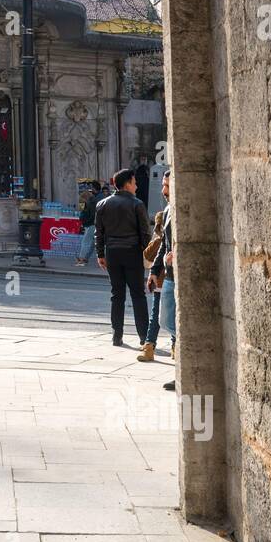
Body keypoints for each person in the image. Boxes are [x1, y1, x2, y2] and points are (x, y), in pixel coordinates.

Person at [95, 166, 151, 346]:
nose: (136, 187)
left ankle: (117, 335)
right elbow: (145, 234)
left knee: (116, 295)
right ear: (127, 184)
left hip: (112, 253)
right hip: (132, 252)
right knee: (138, 295)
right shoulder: (137, 204)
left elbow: (99, 233)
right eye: (134, 183)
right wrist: (147, 254)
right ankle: (144, 336)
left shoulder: (102, 204)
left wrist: (100, 254)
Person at [149, 169, 177, 389]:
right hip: (169, 275)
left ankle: (182, 372)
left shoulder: (182, 208)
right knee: (165, 320)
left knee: (175, 323)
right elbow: (163, 246)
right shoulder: (168, 210)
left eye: (167, 186)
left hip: (179, 275)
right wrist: (153, 271)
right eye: (163, 185)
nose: (163, 190)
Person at [137, 183, 168, 362]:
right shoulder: (164, 241)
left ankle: (149, 346)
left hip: (159, 284)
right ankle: (173, 347)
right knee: (168, 315)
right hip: (165, 281)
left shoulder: (158, 241)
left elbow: (147, 258)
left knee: (155, 316)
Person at [76, 180, 107, 266]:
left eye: (91, 188)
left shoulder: (93, 199)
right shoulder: (103, 197)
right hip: (102, 223)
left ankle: (82, 258)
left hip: (93, 223)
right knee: (95, 242)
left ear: (93, 188)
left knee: (86, 241)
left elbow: (87, 212)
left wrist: (85, 221)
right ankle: (85, 258)